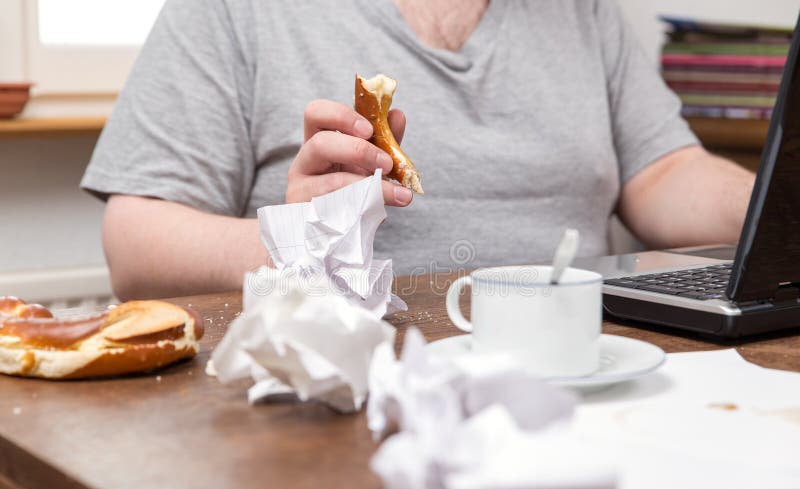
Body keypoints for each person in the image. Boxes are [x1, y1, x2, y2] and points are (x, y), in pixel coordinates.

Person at [81, 0, 755, 300]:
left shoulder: (585, 11)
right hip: (336, 403)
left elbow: (665, 172)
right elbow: (134, 244)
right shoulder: (232, 9)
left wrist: (776, 202)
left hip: (574, 377)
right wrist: (298, 242)